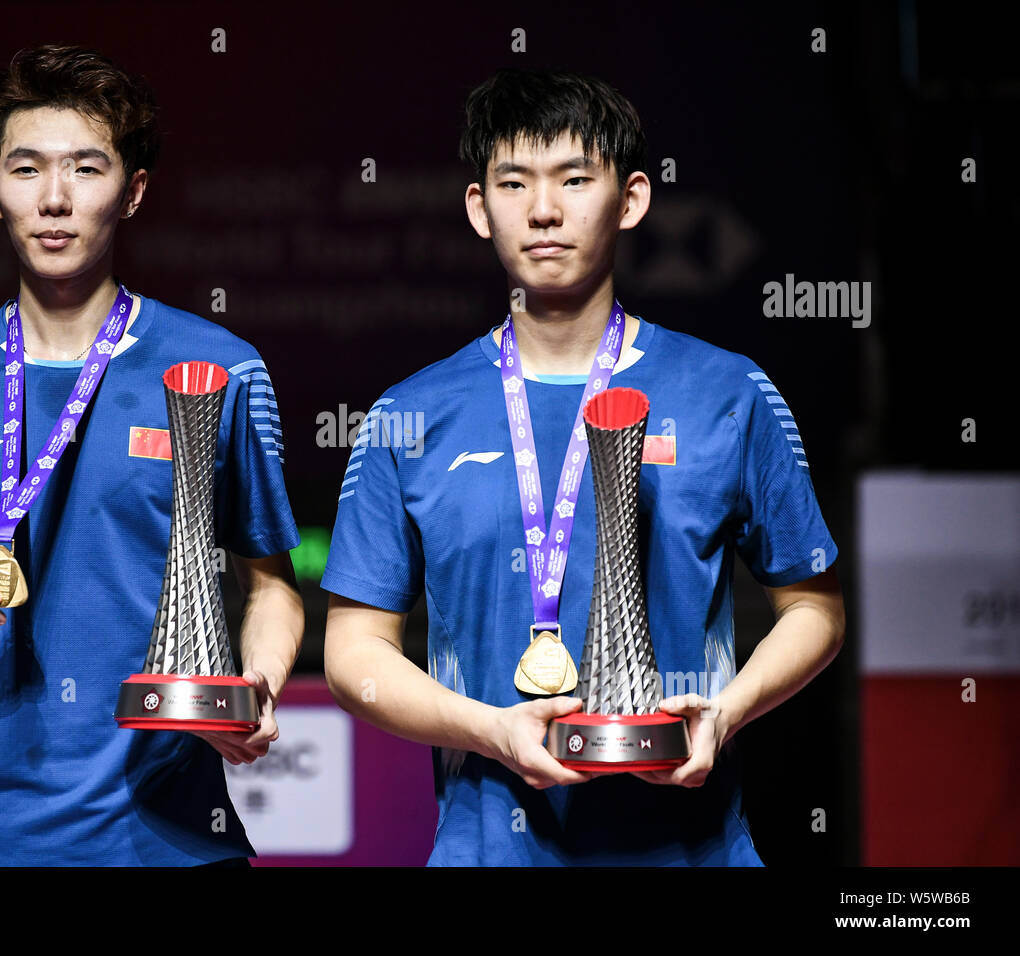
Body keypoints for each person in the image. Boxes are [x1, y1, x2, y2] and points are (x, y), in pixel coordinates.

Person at [321, 68, 845, 865]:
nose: (543, 210)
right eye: (513, 183)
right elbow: (353, 648)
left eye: (574, 179)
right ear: (478, 208)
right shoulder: (410, 412)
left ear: (631, 199)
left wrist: (726, 711)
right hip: (487, 848)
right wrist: (490, 729)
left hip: (694, 847)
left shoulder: (728, 392)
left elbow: (815, 608)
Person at [0, 45, 304, 866]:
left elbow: (270, 586)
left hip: (174, 842)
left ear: (134, 191)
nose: (54, 200)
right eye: (27, 170)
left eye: (87, 168)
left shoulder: (220, 370)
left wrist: (253, 685)